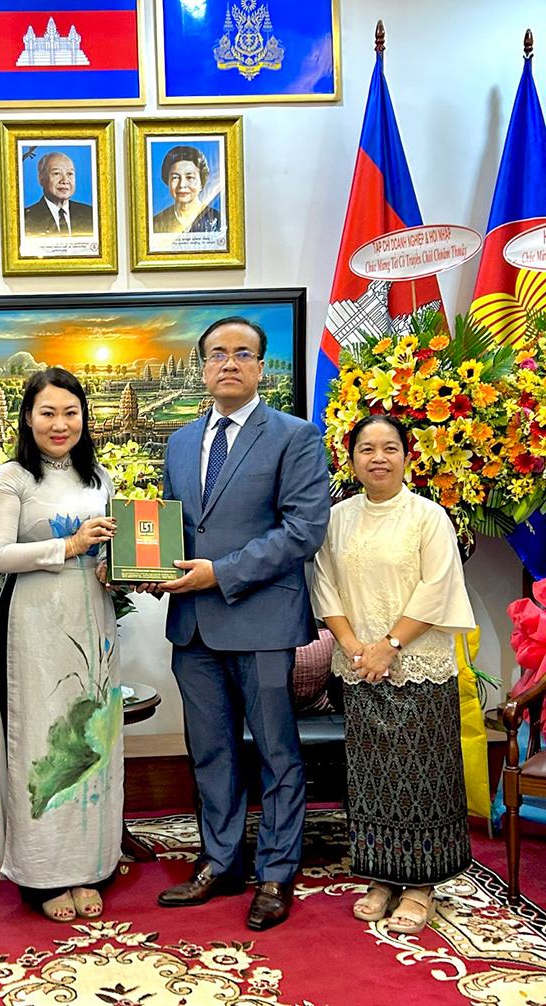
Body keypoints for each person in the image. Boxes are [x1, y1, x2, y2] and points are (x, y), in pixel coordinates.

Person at [154, 316, 330, 931]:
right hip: (193, 627)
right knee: (211, 752)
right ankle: (221, 862)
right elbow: (172, 525)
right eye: (217, 354)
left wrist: (218, 573)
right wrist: (146, 567)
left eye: (242, 354)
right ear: (201, 367)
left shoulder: (295, 436)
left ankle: (278, 873)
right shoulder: (177, 441)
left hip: (262, 620)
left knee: (277, 755)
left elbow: (303, 531)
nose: (228, 363)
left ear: (260, 366)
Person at [312, 415, 475, 934]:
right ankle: (381, 877)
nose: (377, 457)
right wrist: (356, 647)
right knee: (372, 778)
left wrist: (390, 645)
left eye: (389, 448)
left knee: (423, 776)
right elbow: (325, 586)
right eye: (366, 448)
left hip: (418, 666)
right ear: (351, 458)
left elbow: (437, 588)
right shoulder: (336, 519)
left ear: (408, 455)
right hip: (360, 667)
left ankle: (422, 884)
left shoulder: (429, 517)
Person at [0, 367, 122, 923]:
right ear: (27, 417)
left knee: (94, 737)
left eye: (71, 412)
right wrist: (68, 546)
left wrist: (120, 569)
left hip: (94, 617)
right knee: (40, 738)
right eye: (48, 412)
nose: (60, 423)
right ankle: (43, 874)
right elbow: (0, 556)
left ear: (85, 417)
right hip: (36, 623)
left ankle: (90, 866)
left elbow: (107, 550)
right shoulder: (11, 477)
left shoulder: (101, 479)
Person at [152, 145, 222, 235]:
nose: (182, 185)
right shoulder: (157, 222)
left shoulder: (216, 219)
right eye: (175, 178)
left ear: (201, 182)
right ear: (168, 181)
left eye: (189, 177)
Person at [23, 152, 94, 237]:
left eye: (70, 174)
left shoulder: (91, 214)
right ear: (41, 179)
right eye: (56, 173)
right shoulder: (25, 218)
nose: (65, 181)